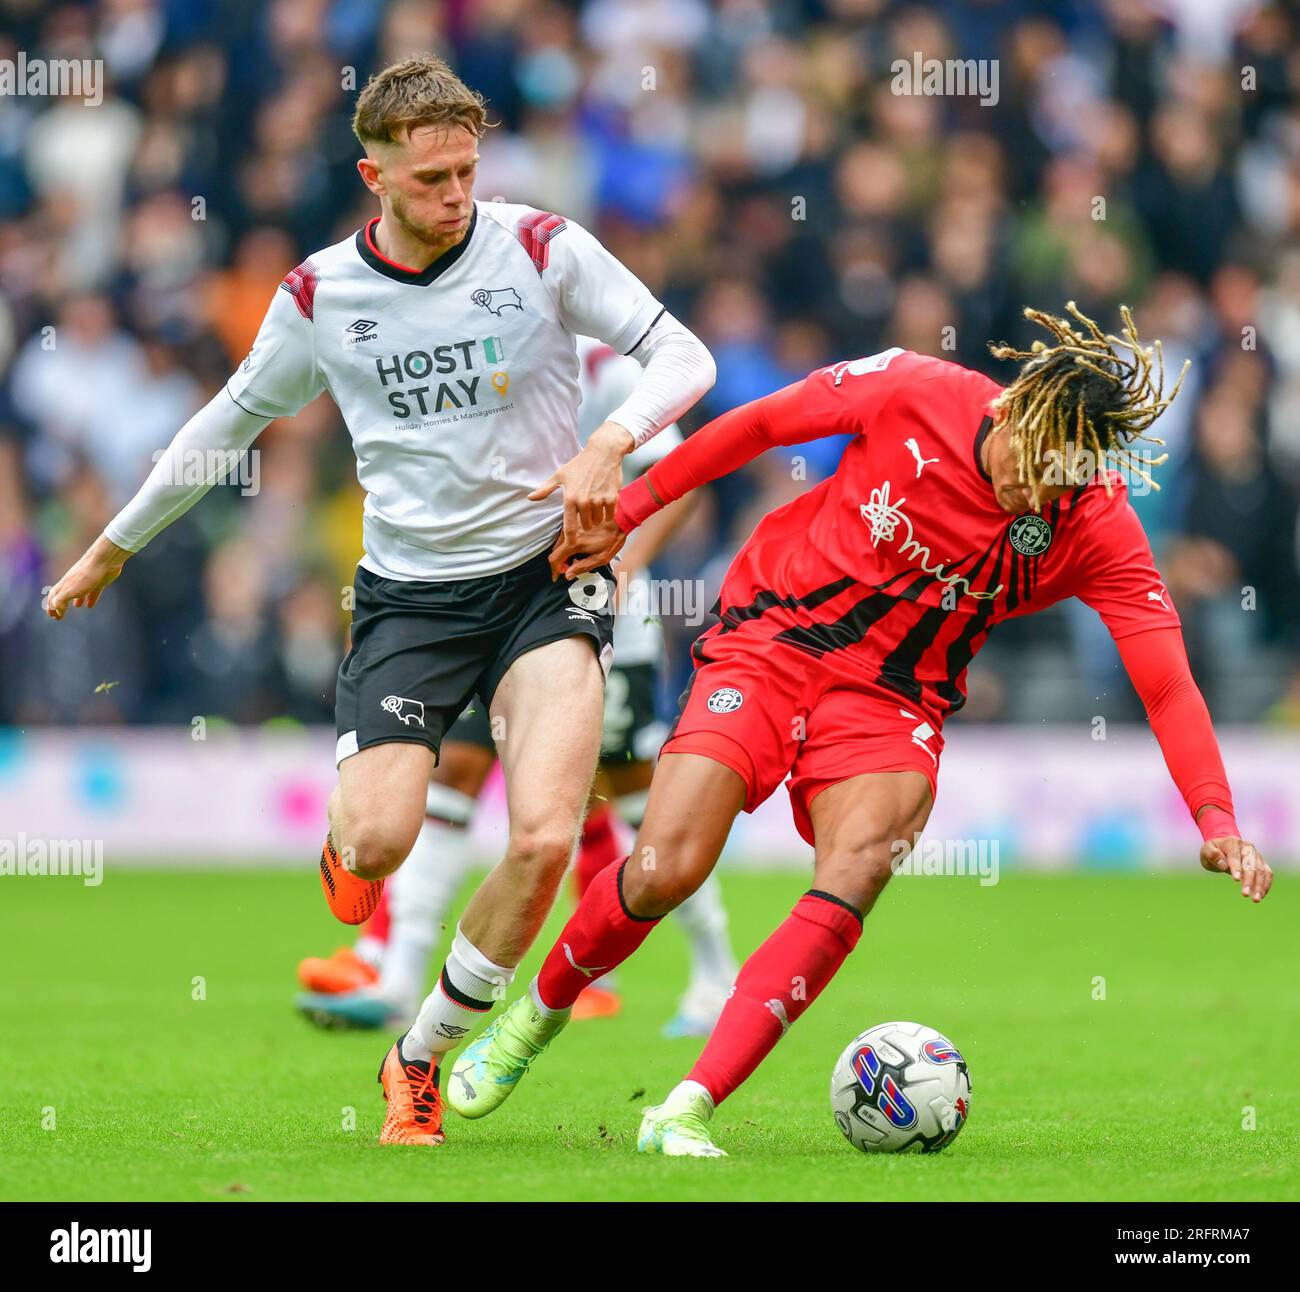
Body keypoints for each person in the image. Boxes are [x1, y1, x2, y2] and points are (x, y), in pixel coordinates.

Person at [43, 55, 716, 1148]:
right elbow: (225, 423)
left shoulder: (540, 247)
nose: (457, 196)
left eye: (467, 170)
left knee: (545, 836)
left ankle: (418, 1054)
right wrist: (113, 546)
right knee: (377, 846)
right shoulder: (320, 296)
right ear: (374, 175)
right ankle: (350, 846)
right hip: (410, 599)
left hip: (547, 580)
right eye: (431, 178)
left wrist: (609, 440)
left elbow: (683, 355)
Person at [443, 304, 1274, 1157]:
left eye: (1063, 480)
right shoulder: (914, 389)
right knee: (666, 868)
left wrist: (1215, 819)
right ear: (1015, 408)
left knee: (862, 862)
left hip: (894, 701)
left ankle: (686, 1106)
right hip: (773, 640)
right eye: (1034, 465)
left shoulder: (1094, 522)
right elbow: (762, 424)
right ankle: (532, 1020)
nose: (1038, 494)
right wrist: (637, 502)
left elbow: (1167, 684)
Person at [295, 340, 737, 1038]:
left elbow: (676, 481)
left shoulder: (602, 365)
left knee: (633, 794)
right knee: (458, 768)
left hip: (592, 614)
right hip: (486, 612)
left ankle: (716, 973)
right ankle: (400, 976)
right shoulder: (471, 351)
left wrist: (622, 570)